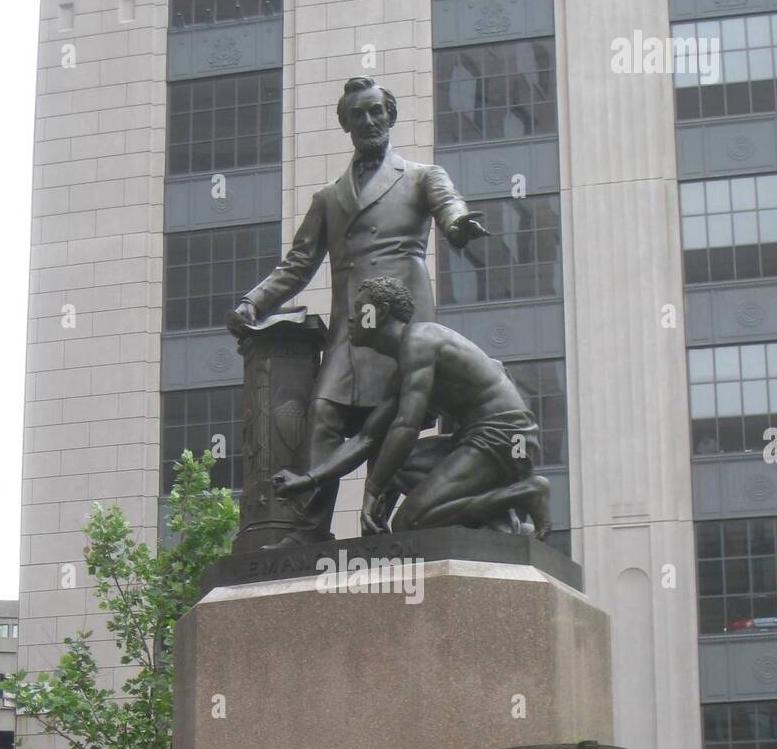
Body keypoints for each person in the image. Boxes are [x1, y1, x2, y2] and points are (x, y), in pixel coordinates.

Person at [227, 76, 487, 542]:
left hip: (399, 325)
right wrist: (253, 301)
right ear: (345, 123)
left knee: (390, 427)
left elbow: (449, 207)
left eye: (376, 112)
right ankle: (309, 530)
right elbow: (299, 263)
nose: (368, 121)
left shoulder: (423, 176)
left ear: (390, 116)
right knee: (323, 416)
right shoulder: (329, 197)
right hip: (350, 333)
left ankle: (376, 526)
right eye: (358, 114)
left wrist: (459, 224)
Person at [274, 277, 551, 539]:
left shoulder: (420, 340)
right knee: (392, 464)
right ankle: (507, 526)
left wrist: (372, 493)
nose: (352, 317)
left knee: (409, 522)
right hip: (483, 441)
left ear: (379, 312)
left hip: (507, 441)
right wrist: (308, 479)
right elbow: (366, 438)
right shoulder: (405, 367)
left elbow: (406, 427)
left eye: (360, 309)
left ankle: (526, 492)